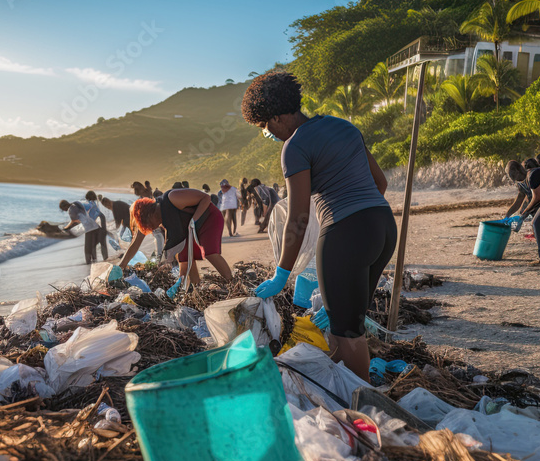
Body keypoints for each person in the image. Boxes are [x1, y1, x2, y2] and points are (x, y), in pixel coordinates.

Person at [243, 71, 394, 384]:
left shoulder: (294, 147)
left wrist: (281, 274)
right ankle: (339, 386)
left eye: (265, 126)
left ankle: (360, 409)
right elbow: (380, 182)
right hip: (382, 226)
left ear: (278, 117)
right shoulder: (343, 126)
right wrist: (360, 216)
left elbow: (298, 219)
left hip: (345, 233)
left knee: (349, 333)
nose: (268, 133)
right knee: (347, 323)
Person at [119, 188, 232, 297]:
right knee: (184, 258)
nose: (152, 229)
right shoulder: (157, 217)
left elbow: (206, 198)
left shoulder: (172, 198)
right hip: (189, 228)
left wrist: (194, 220)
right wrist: (121, 266)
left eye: (149, 225)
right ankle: (196, 288)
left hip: (209, 217)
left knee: (210, 252)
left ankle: (232, 283)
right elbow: (135, 243)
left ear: (150, 214)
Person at [60, 198, 105, 264]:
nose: (64, 210)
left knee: (87, 247)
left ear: (64, 206)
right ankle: (94, 259)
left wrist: (66, 228)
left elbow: (74, 221)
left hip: (88, 227)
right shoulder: (76, 203)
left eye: (63, 209)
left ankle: (88, 262)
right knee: (92, 245)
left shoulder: (70, 210)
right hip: (94, 225)